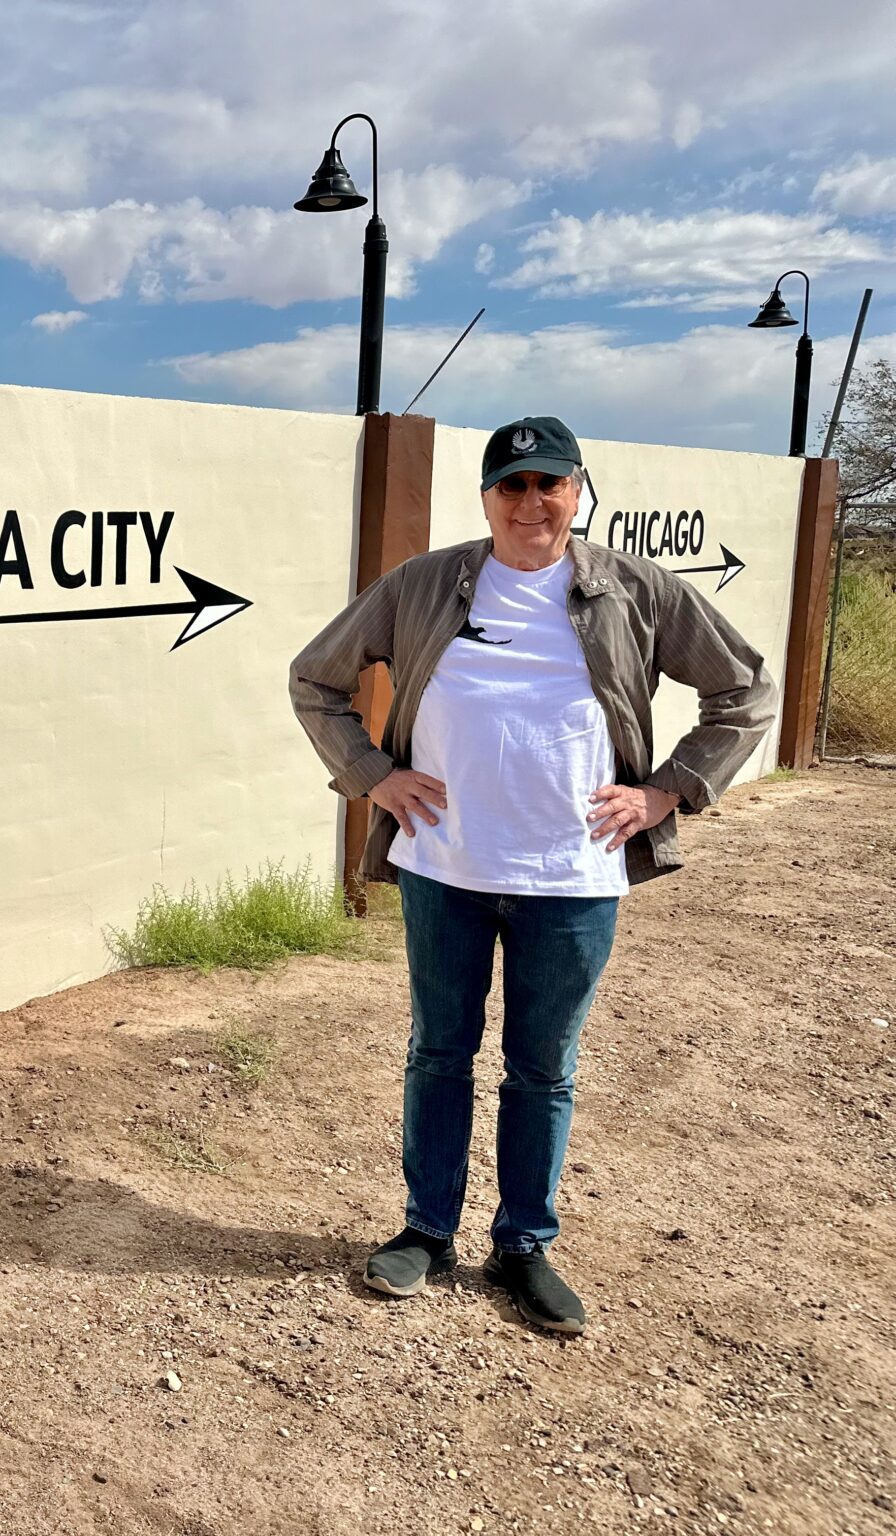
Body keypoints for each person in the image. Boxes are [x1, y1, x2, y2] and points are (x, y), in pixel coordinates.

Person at [288, 416, 778, 1333]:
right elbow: (316, 678)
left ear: (578, 491)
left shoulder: (634, 588)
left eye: (548, 484)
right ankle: (426, 1232)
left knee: (542, 1066)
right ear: (486, 498)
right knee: (440, 1050)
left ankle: (521, 1246)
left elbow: (743, 688)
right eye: (511, 486)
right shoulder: (426, 584)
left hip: (574, 876)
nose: (531, 503)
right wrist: (374, 778)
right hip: (446, 864)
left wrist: (669, 791)